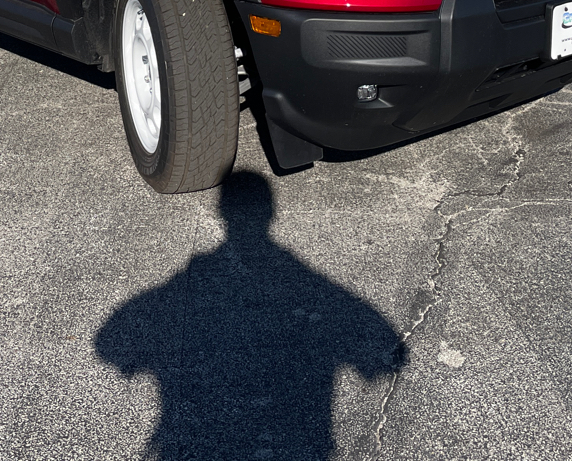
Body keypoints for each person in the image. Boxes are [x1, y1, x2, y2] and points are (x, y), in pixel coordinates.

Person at [96, 172, 404, 460]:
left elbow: (109, 341)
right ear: (270, 215)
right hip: (293, 442)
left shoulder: (198, 277)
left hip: (202, 441)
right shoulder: (302, 280)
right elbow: (387, 349)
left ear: (222, 214)